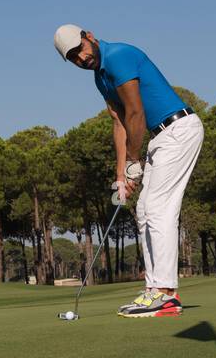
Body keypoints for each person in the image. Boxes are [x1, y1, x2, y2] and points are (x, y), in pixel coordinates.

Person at [53, 25, 204, 317]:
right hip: (160, 137)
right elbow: (120, 122)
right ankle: (154, 290)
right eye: (73, 58)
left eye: (80, 49)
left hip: (179, 129)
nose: (81, 58)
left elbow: (136, 112)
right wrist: (121, 175)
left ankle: (166, 295)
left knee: (159, 208)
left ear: (90, 36)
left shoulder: (118, 55)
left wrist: (135, 162)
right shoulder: (100, 78)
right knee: (145, 210)